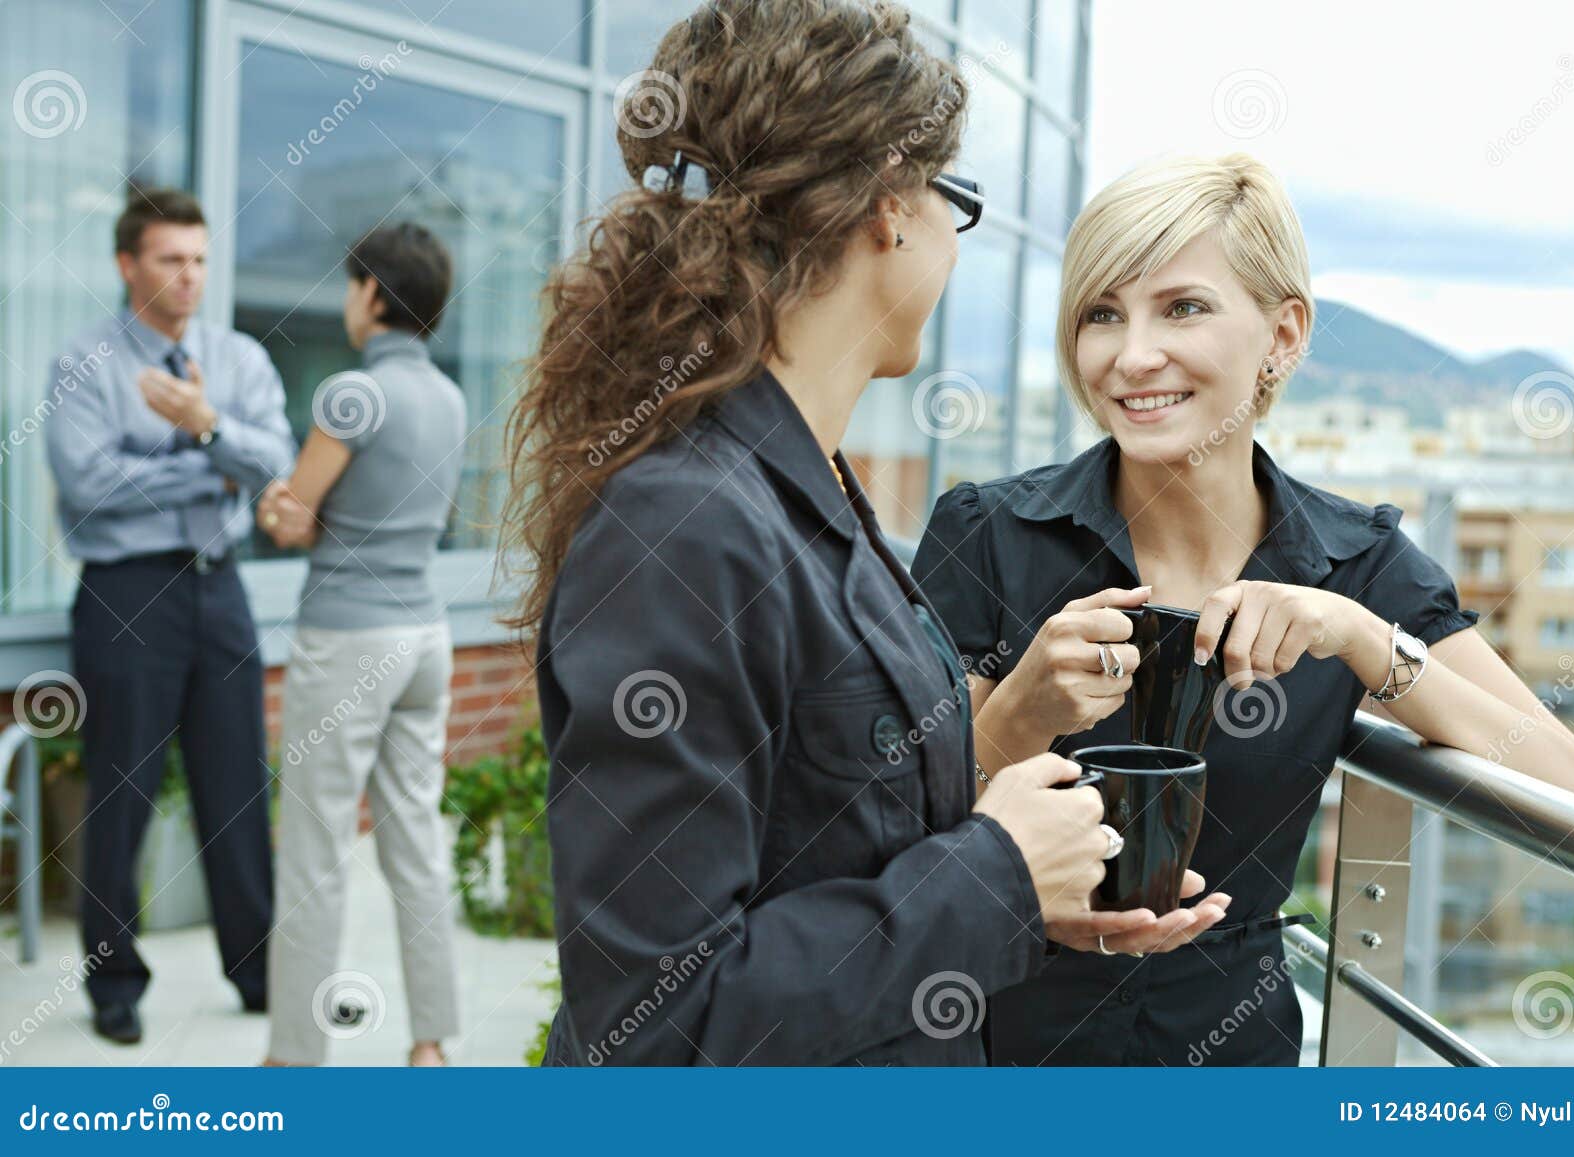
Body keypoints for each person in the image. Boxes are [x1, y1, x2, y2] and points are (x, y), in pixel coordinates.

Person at [501, 0, 1230, 1067]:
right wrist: (995, 873)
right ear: (891, 204)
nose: (952, 237)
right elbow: (657, 1025)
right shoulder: (685, 521)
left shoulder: (801, 481)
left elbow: (820, 847)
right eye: (955, 198)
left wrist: (1028, 891)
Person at [911, 153, 1574, 1067]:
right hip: (988, 1052)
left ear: (1284, 333)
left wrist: (1359, 638)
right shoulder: (990, 530)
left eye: (1182, 307)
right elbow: (891, 815)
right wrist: (1020, 710)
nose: (1132, 355)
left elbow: (1566, 783)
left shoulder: (1357, 566)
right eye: (1101, 315)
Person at [45, 187, 296, 1044]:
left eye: (198, 259)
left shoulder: (236, 359)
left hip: (219, 588)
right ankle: (114, 985)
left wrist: (203, 425)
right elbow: (88, 483)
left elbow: (278, 464)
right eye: (169, 259)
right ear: (128, 265)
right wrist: (208, 457)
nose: (189, 276)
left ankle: (257, 968)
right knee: (122, 792)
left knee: (237, 787)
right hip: (127, 595)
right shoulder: (85, 363)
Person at [255, 223, 466, 1067]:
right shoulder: (449, 397)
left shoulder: (351, 392)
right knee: (415, 840)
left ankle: (296, 1059)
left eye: (352, 285)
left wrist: (276, 500)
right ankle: (431, 1043)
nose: (346, 301)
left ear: (374, 293)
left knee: (315, 847)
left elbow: (290, 519)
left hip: (348, 637)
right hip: (426, 632)